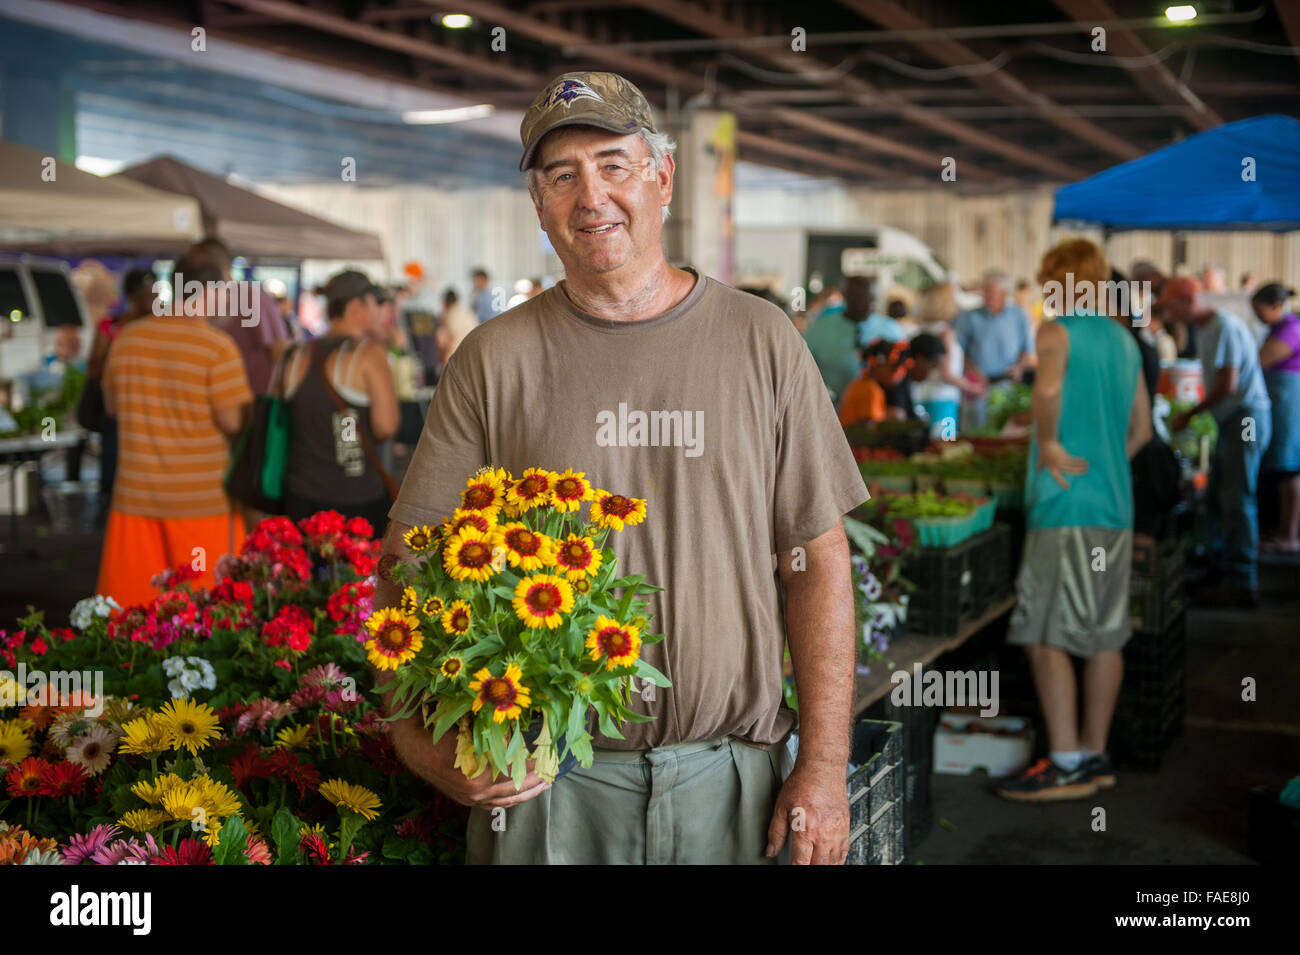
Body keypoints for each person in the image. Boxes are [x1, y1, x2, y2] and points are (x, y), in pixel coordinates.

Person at [378, 70, 867, 866]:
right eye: (561, 176)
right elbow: (410, 557)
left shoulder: (761, 340)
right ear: (538, 205)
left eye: (613, 163)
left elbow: (817, 562)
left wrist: (821, 765)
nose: (590, 195)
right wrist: (414, 732)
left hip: (731, 785)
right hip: (542, 788)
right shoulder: (492, 360)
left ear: (663, 178)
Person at [996, 239, 1151, 802]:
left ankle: (1063, 763)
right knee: (1106, 632)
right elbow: (1143, 431)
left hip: (1064, 507)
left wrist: (1052, 443)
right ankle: (1093, 754)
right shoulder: (1123, 338)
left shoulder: (1057, 331)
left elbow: (1049, 389)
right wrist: (1103, 469)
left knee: (1044, 634)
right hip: (1113, 506)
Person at [94, 249, 253, 609]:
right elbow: (232, 421)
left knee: (132, 617)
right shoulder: (216, 347)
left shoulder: (129, 338)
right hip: (202, 502)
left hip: (134, 499)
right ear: (211, 292)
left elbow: (112, 408)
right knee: (206, 613)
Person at [1162, 275, 1272, 605]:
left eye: (1171, 308)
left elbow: (1228, 385)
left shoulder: (1223, 326)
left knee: (1237, 495)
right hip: (1232, 419)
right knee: (1217, 495)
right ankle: (1218, 566)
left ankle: (1242, 580)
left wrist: (1190, 414)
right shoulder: (1206, 329)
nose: (1171, 316)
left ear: (1186, 300)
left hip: (1247, 419)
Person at [278, 270, 400, 531]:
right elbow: (386, 426)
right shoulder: (368, 355)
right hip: (356, 498)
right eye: (376, 302)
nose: (381, 310)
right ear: (357, 305)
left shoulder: (297, 354)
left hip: (299, 496)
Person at [85, 268, 156, 521]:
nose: (154, 300)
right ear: (132, 296)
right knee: (113, 463)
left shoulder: (163, 326)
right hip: (117, 409)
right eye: (148, 294)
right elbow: (93, 369)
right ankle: (108, 512)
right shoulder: (112, 326)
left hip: (151, 411)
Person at [185, 237, 293, 394]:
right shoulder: (195, 300)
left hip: (253, 401)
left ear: (224, 268)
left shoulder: (249, 296)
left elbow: (281, 351)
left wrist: (275, 401)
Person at [954, 270, 1035, 430]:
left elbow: (1026, 348)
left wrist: (1019, 367)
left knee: (1006, 430)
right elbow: (959, 351)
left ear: (1004, 293)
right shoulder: (969, 317)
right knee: (976, 430)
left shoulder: (1018, 315)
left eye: (991, 292)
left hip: (1008, 382)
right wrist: (975, 372)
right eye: (985, 291)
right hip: (978, 386)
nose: (986, 296)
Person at [1252, 283, 1300, 553]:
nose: (1258, 317)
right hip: (1282, 405)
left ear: (1276, 306)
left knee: (1289, 470)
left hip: (1289, 406)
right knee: (1284, 469)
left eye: (1260, 311)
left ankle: (1290, 535)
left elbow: (1259, 360)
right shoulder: (1279, 328)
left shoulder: (1290, 329)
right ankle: (1282, 531)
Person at [804, 274, 903, 402]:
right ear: (845, 297)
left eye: (870, 298)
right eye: (858, 298)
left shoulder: (891, 329)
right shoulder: (818, 330)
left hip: (880, 411)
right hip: (832, 410)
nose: (865, 303)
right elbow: (804, 372)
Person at [436, 288, 478, 368]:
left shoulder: (450, 314)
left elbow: (451, 339)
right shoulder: (468, 313)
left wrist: (445, 363)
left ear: (445, 302)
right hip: (473, 357)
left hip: (457, 358)